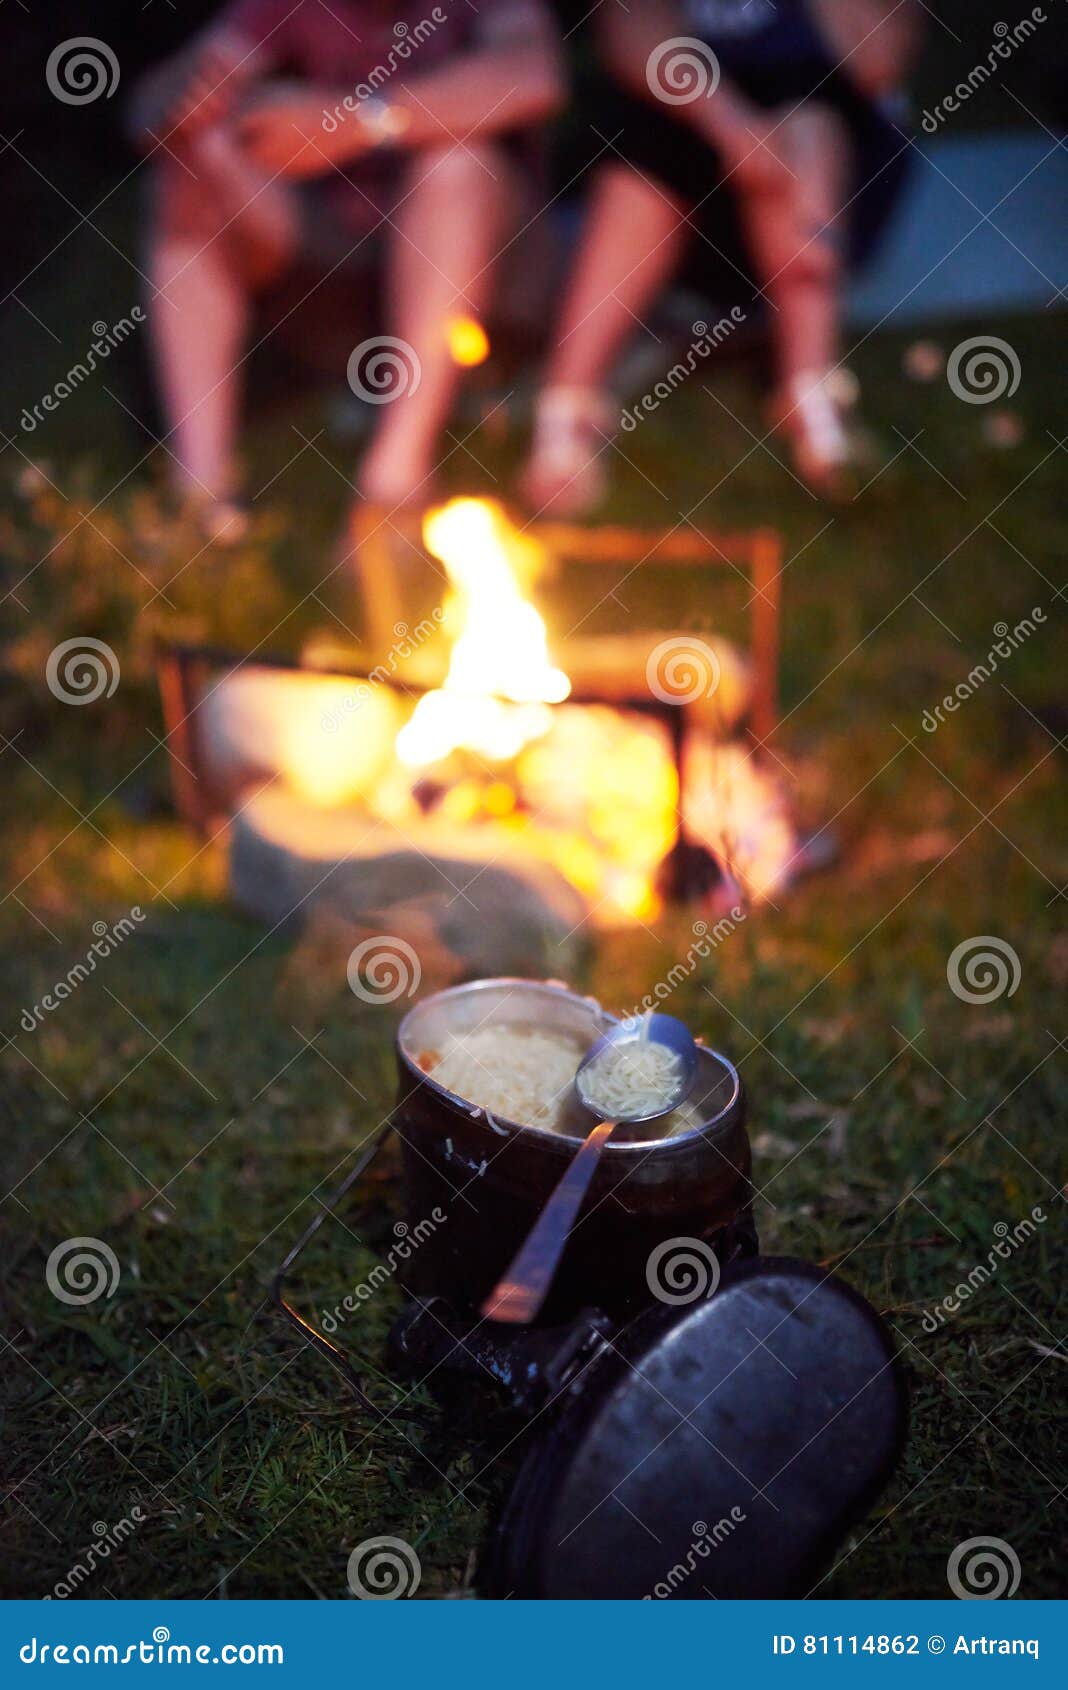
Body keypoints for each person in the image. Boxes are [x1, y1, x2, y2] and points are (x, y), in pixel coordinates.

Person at [128, 0, 564, 540]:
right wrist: (181, 100)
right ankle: (201, 505)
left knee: (455, 164)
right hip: (351, 261)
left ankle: (393, 493)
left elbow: (535, 74)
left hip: (493, 271)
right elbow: (151, 107)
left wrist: (358, 120)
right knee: (196, 157)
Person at [524, 0, 921, 511]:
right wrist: (730, 124)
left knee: (806, 123)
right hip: (695, 130)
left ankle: (813, 394)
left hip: (832, 162)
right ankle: (568, 408)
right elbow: (629, 37)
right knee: (641, 161)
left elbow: (879, 61)